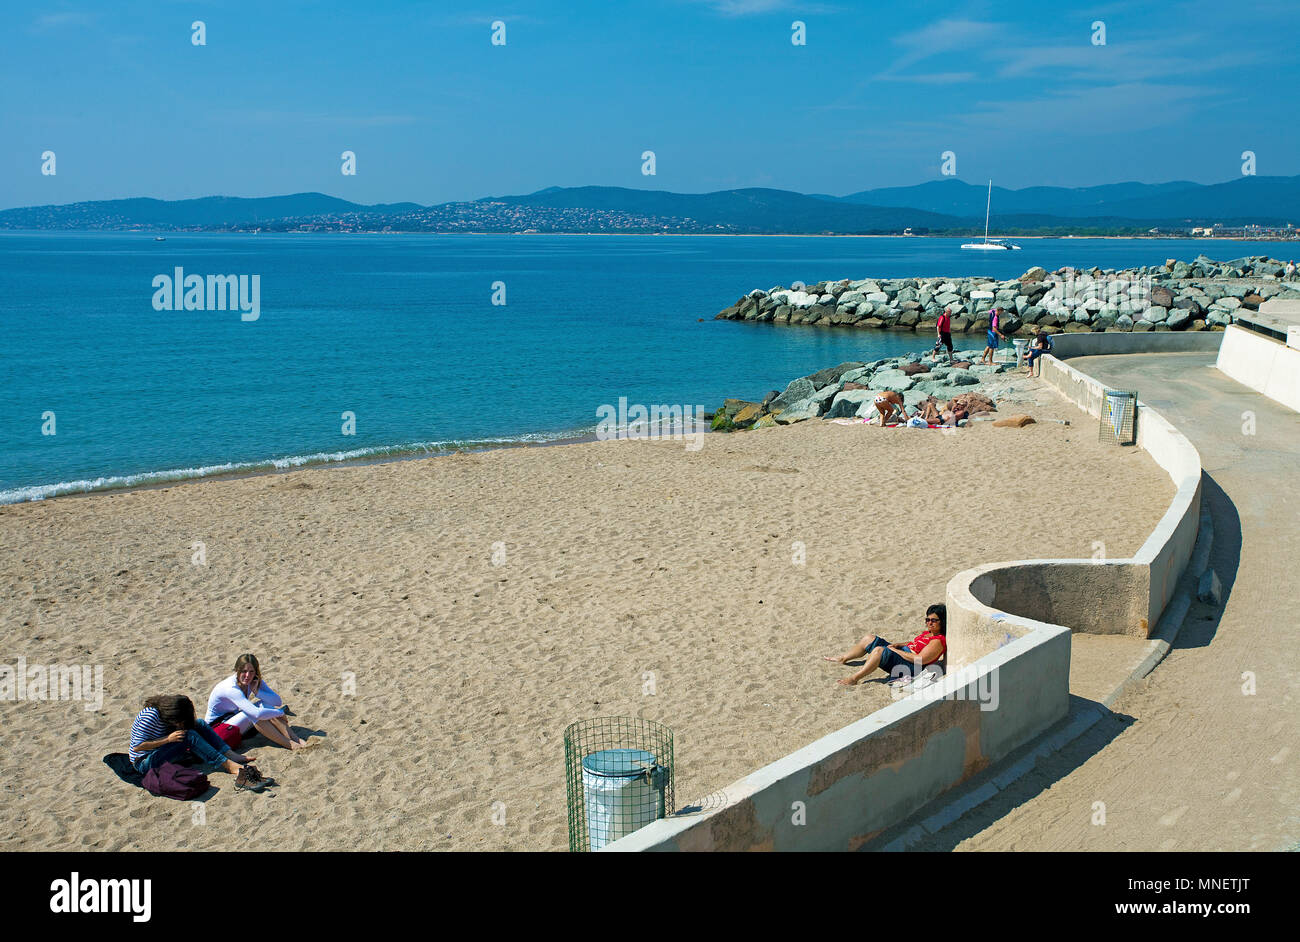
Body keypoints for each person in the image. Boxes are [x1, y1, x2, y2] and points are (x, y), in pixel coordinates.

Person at [129, 694, 258, 780]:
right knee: (189, 736)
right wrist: (167, 739)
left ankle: (229, 754)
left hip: (160, 750)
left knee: (199, 724)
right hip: (144, 762)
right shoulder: (150, 716)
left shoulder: (166, 713)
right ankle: (228, 765)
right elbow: (137, 747)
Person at [823, 604, 948, 687]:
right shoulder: (929, 633)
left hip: (910, 666)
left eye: (934, 620)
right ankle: (843, 658)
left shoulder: (938, 641)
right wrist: (900, 644)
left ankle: (854, 678)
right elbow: (915, 644)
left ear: (942, 622)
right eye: (928, 620)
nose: (929, 623)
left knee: (879, 651)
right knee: (870, 638)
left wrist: (897, 651)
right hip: (905, 654)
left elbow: (920, 659)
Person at [206, 654, 311, 751]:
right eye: (244, 671)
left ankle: (295, 738)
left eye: (251, 671)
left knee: (265, 705)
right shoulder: (230, 688)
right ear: (237, 670)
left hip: (231, 721)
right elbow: (257, 713)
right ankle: (289, 744)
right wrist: (280, 713)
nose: (247, 675)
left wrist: (257, 692)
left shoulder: (253, 681)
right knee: (253, 713)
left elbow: (277, 701)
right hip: (216, 731)